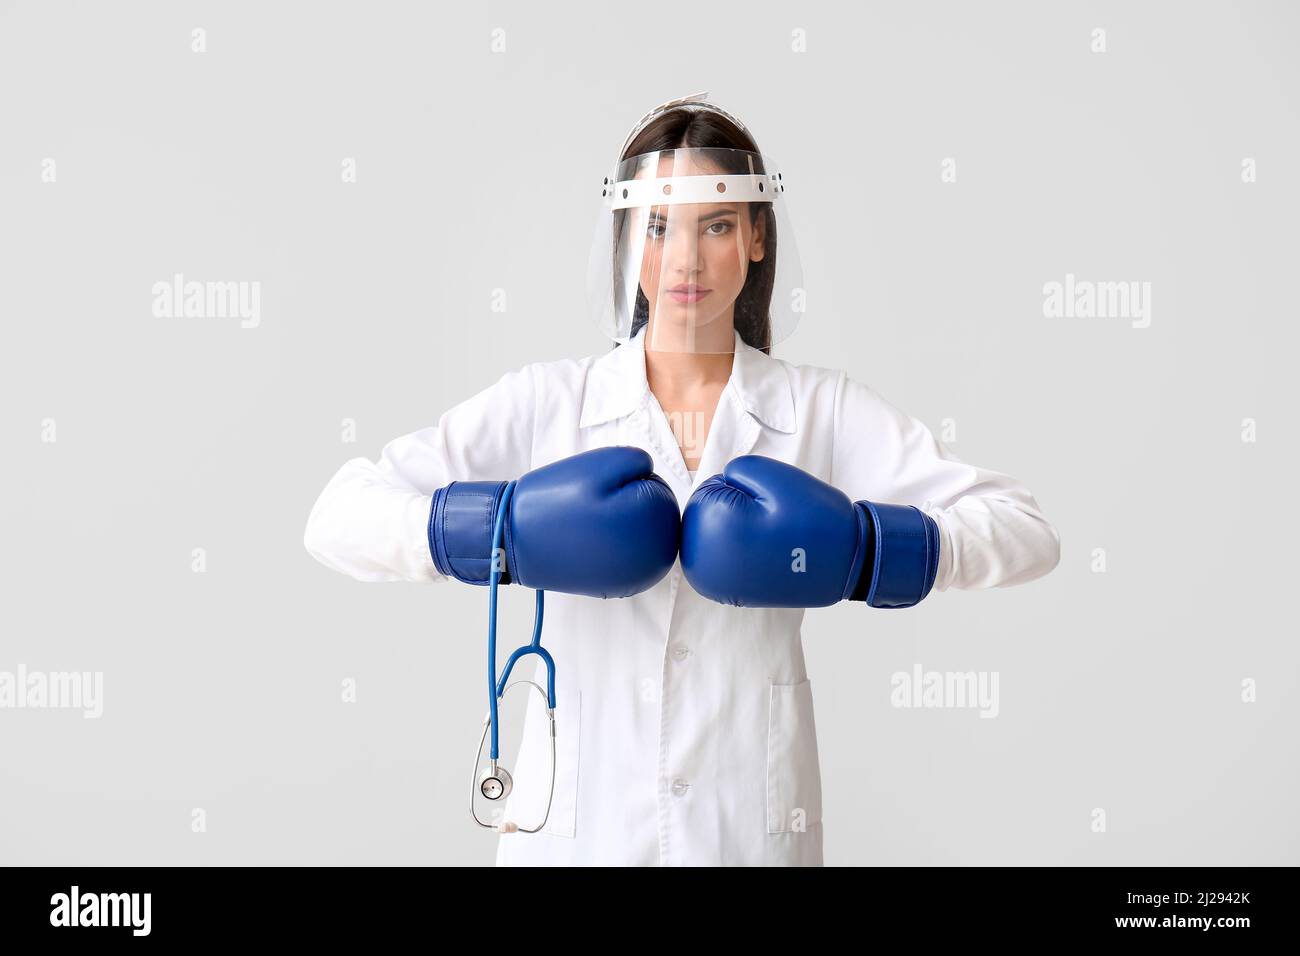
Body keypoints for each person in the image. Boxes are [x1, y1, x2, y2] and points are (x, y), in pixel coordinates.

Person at [303, 93, 1061, 866]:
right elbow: (336, 517)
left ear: (758, 238)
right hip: (575, 835)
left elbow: (1026, 531)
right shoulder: (548, 404)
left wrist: (868, 551)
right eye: (660, 227)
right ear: (627, 240)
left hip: (744, 836)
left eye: (718, 225)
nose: (687, 261)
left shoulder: (818, 409)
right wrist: (502, 533)